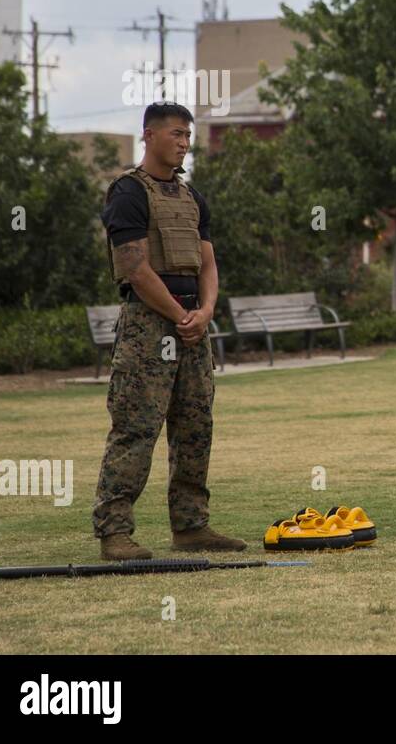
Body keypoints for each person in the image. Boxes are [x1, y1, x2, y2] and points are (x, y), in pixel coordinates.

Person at [93, 102, 245, 560]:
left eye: (188, 136)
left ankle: (191, 525)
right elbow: (135, 269)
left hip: (194, 325)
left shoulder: (191, 197)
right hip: (149, 326)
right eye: (176, 134)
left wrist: (206, 311)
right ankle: (115, 530)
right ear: (149, 136)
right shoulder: (127, 192)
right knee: (136, 427)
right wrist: (180, 316)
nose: (184, 143)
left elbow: (209, 261)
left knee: (195, 426)